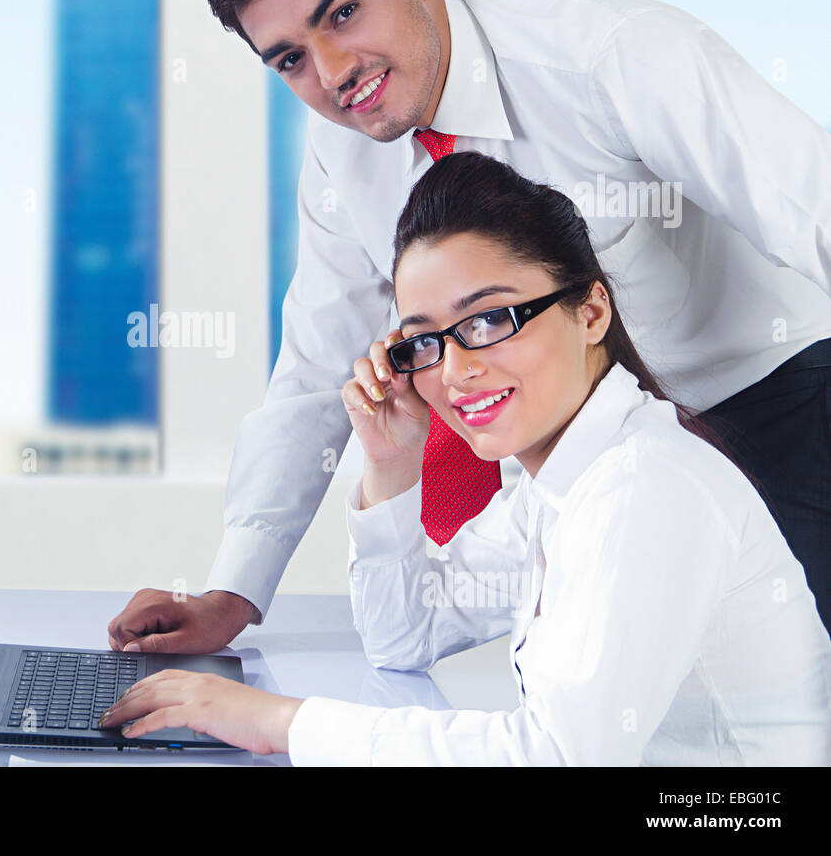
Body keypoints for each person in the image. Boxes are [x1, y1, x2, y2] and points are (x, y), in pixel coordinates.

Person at [107, 0, 831, 652]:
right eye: (290, 58)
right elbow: (314, 369)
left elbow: (810, 202)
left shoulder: (611, 56)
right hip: (593, 461)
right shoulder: (341, 156)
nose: (332, 72)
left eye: (344, 12)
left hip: (773, 412)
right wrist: (232, 592)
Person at [99, 152, 831, 765]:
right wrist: (391, 464)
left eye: (487, 320)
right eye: (425, 340)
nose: (453, 371)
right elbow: (403, 636)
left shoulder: (645, 488)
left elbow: (553, 757)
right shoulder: (553, 487)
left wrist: (273, 722)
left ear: (592, 312)